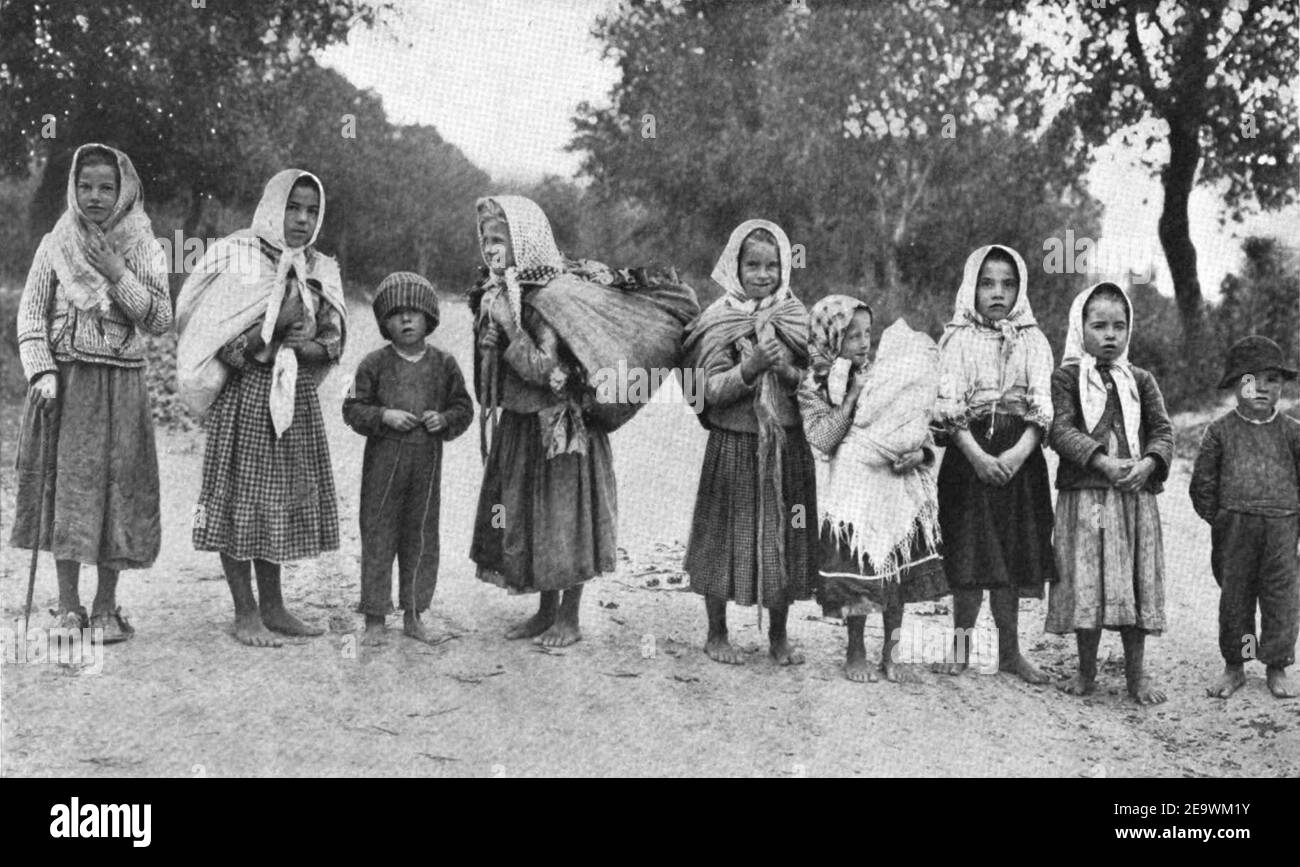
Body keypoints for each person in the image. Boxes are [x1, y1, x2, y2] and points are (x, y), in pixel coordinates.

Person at [175, 169, 347, 648]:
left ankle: (274, 605)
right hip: (244, 397)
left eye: (312, 210)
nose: (302, 219)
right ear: (274, 207)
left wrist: (308, 341)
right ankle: (244, 611)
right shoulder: (240, 258)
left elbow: (333, 342)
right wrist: (270, 331)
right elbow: (218, 342)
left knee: (275, 501)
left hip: (293, 402)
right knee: (238, 501)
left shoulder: (320, 268)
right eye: (293, 207)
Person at [11, 143, 171, 642]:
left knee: (118, 490)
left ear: (123, 189)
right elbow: (31, 315)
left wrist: (116, 272)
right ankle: (67, 606)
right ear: (73, 189)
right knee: (69, 489)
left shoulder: (142, 244)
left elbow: (161, 319)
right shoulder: (55, 242)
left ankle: (105, 606)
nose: (96, 197)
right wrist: (41, 372)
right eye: (86, 186)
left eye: (107, 187)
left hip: (122, 384)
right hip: (67, 382)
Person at [469, 195, 618, 648]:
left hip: (559, 429)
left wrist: (510, 333)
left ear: (527, 242)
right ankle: (545, 610)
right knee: (533, 519)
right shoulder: (500, 293)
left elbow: (548, 374)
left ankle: (569, 618)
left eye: (503, 239)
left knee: (565, 521)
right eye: (487, 239)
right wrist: (488, 342)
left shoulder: (551, 299)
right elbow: (487, 383)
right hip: (521, 426)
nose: (493, 248)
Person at [681, 220, 817, 666]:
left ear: (785, 269)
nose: (762, 274)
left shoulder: (799, 319)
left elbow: (820, 385)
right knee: (723, 538)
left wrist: (788, 372)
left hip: (786, 446)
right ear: (733, 267)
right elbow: (706, 391)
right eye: (752, 265)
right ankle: (716, 632)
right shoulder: (718, 320)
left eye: (772, 265)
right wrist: (751, 367)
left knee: (785, 539)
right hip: (734, 443)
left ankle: (779, 636)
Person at [799, 296, 946, 682]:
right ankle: (856, 649)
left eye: (868, 333)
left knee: (894, 566)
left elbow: (916, 420)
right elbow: (822, 438)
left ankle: (892, 651)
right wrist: (850, 398)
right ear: (830, 339)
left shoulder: (886, 372)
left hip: (894, 482)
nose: (864, 343)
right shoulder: (814, 384)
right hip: (853, 484)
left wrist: (920, 455)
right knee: (859, 568)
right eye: (851, 336)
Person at [931, 244, 1057, 682]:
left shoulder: (1033, 340)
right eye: (987, 284)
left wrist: (1019, 453)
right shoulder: (958, 339)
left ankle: (1010, 653)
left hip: (1019, 459)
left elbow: (1041, 405)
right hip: (970, 462)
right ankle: (961, 647)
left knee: (1010, 559)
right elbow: (948, 404)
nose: (997, 293)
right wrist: (979, 457)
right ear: (972, 288)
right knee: (969, 560)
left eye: (1007, 284)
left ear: (1020, 290)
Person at [1046, 282, 1173, 704]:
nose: (1110, 335)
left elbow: (1162, 431)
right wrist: (1100, 461)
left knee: (1133, 581)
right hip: (1087, 501)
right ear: (1079, 326)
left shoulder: (1141, 379)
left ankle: (1136, 676)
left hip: (1133, 499)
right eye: (1098, 325)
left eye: (1119, 326)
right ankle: (1086, 672)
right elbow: (1060, 429)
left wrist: (1148, 463)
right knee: (1088, 581)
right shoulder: (1067, 378)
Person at [342, 272, 472, 646]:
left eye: (415, 312)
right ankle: (375, 617)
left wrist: (443, 419)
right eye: (397, 314)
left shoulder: (444, 364)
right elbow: (351, 407)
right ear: (384, 322)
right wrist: (383, 416)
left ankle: (415, 613)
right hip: (382, 468)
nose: (407, 320)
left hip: (426, 468)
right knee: (379, 535)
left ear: (429, 317)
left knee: (420, 537)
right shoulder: (372, 364)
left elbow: (464, 408)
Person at [1190, 335, 1300, 699]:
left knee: (1280, 597)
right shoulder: (1220, 431)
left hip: (1283, 528)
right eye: (1251, 379)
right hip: (1234, 528)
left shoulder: (1293, 432)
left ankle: (1275, 664)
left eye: (1272, 379)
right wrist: (1222, 518)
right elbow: (1202, 485)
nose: (1263, 388)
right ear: (1236, 384)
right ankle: (1236, 664)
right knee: (1236, 597)